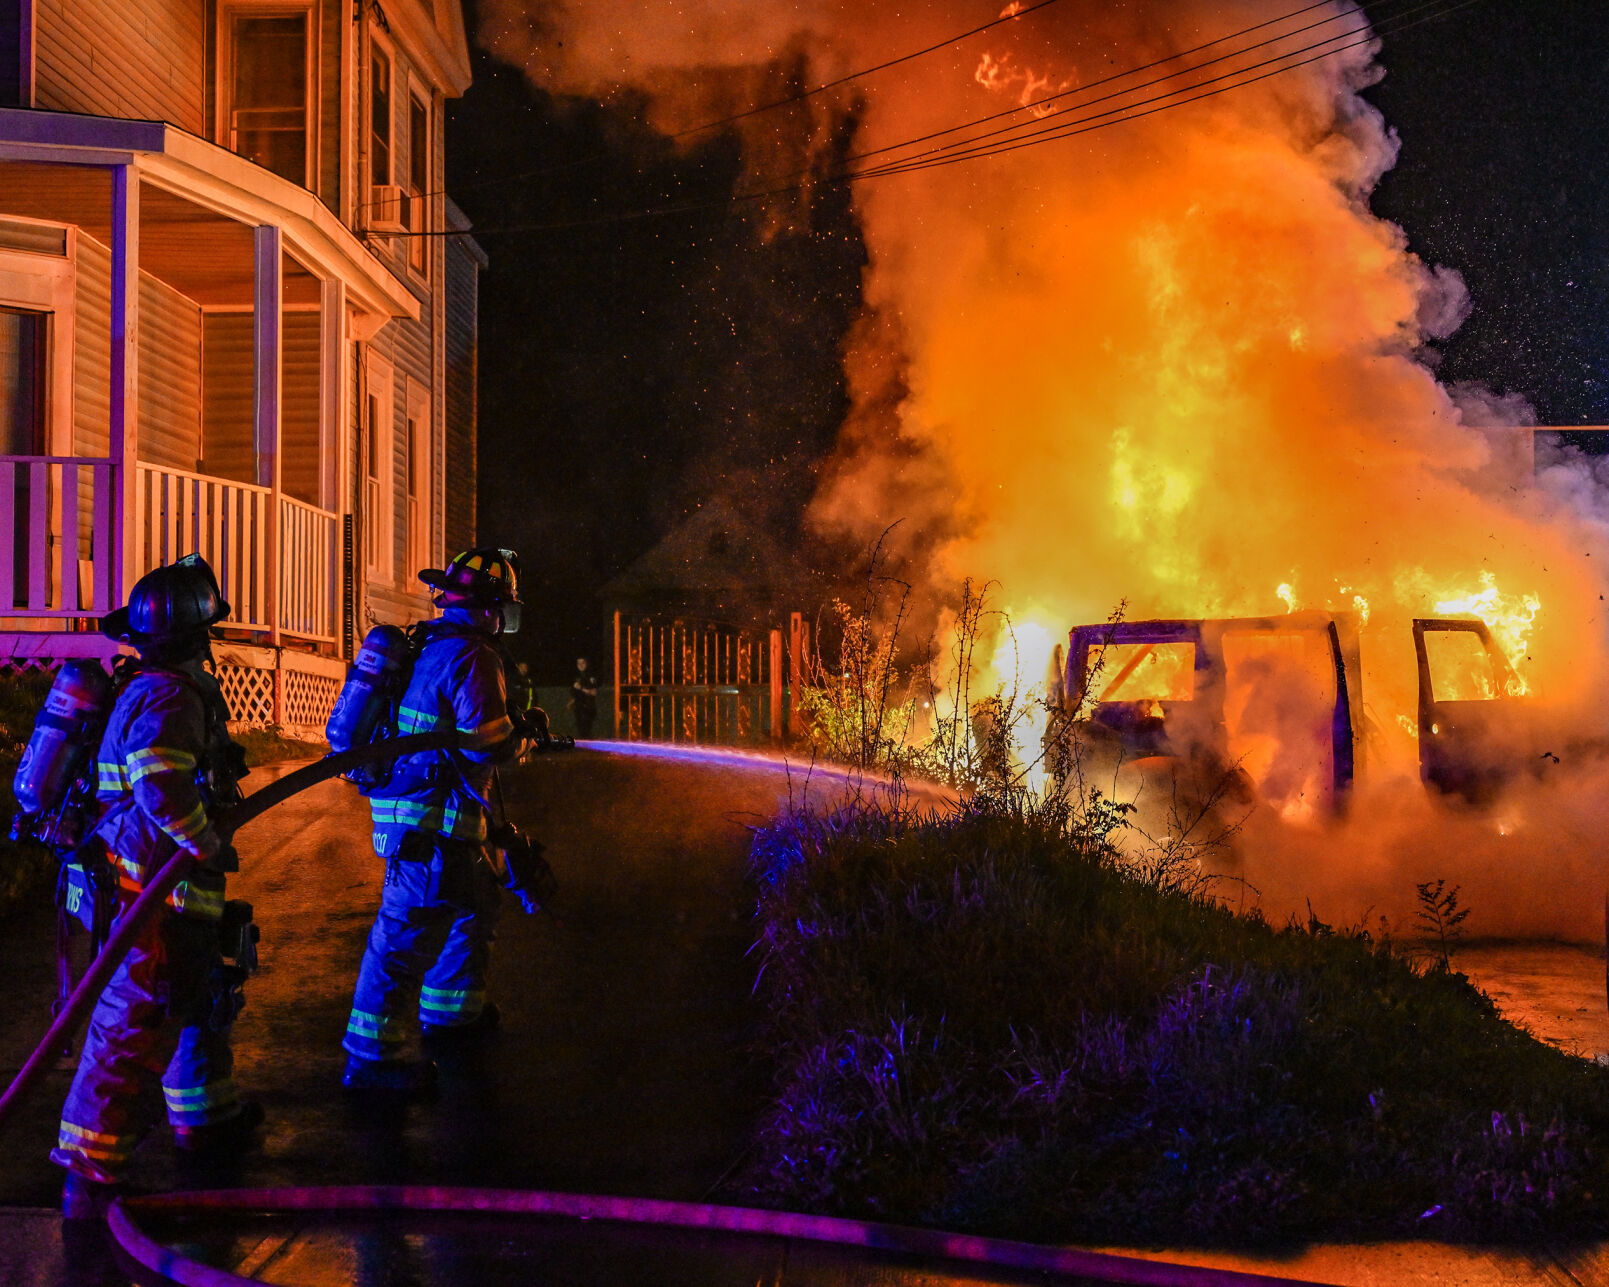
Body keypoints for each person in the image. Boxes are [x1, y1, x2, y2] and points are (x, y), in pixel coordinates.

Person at [55, 554, 258, 1219]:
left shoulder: (149, 684)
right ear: (202, 633)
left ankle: (207, 1117)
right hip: (153, 894)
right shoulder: (170, 693)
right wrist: (205, 842)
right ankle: (90, 1175)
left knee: (193, 1000)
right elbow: (159, 780)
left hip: (154, 890)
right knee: (132, 1025)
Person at [340, 548, 528, 1095]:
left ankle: (452, 1013)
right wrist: (524, 739)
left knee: (475, 904)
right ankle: (372, 1060)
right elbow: (487, 744)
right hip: (433, 825)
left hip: (423, 817)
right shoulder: (473, 657)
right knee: (403, 940)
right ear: (492, 610)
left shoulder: (424, 645)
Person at [569, 656, 599, 738]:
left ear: (587, 664)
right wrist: (572, 701)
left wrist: (581, 688)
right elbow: (574, 691)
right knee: (580, 728)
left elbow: (593, 692)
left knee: (587, 728)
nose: (580, 665)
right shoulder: (576, 677)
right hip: (578, 706)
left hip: (588, 706)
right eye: (578, 663)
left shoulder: (591, 676)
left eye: (583, 663)